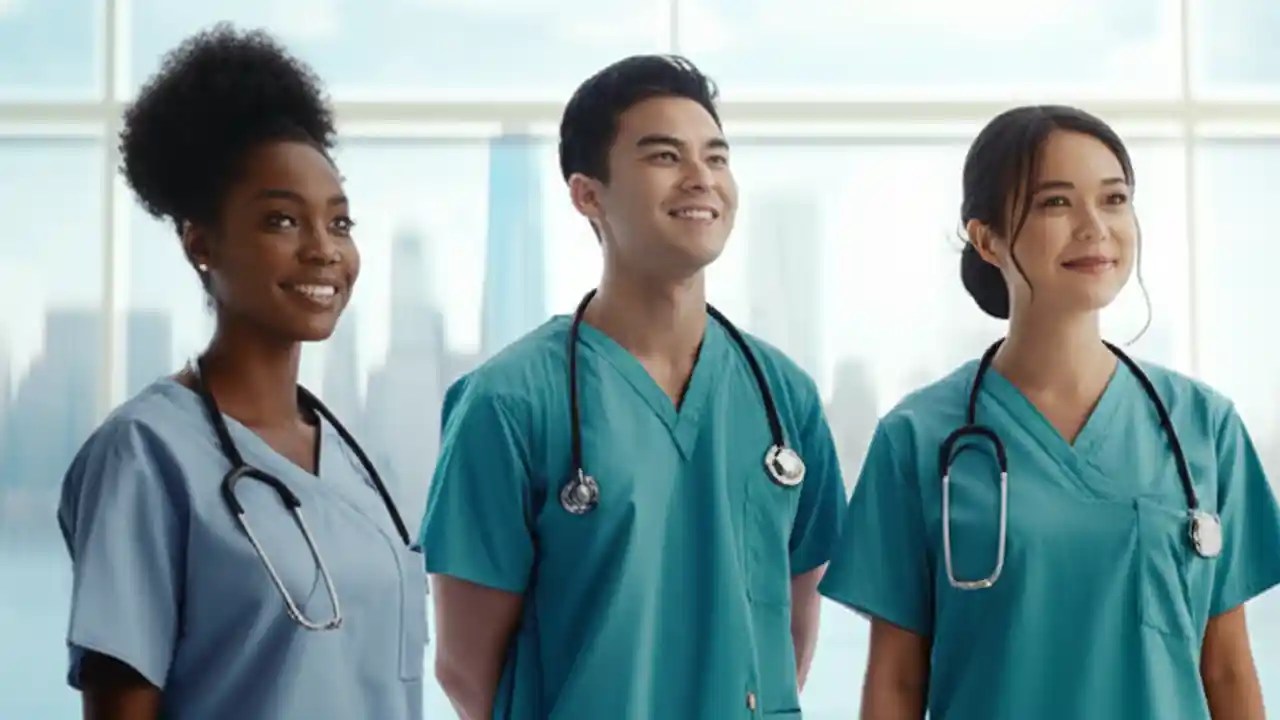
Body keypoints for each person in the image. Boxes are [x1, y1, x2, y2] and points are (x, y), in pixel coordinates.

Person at [819, 105, 1280, 719]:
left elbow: (1225, 669)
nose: (1094, 226)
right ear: (987, 239)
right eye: (1056, 203)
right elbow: (897, 683)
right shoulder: (918, 439)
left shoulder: (1204, 427)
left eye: (1114, 199)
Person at [420, 55, 846, 719]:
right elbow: (465, 668)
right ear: (588, 194)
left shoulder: (782, 395)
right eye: (664, 157)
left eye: (716, 157)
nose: (701, 178)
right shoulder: (508, 402)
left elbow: (794, 621)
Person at [56, 25, 425, 720]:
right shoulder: (145, 454)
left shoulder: (347, 459)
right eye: (283, 221)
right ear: (200, 240)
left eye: (340, 224)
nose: (323, 251)